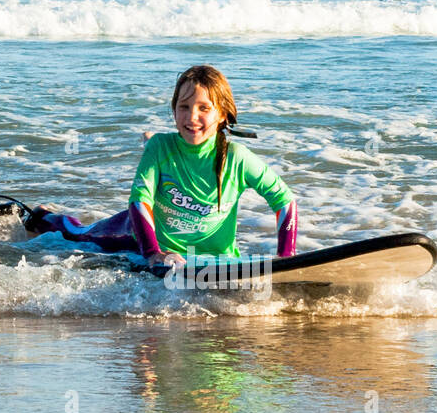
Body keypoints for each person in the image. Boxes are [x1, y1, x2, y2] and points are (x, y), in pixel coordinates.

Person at [27, 65, 297, 266]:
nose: (192, 116)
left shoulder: (237, 158)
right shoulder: (161, 148)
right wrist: (153, 253)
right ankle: (42, 217)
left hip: (215, 259)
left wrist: (286, 258)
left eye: (204, 108)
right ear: (174, 110)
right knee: (79, 235)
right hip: (138, 235)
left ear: (222, 114)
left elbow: (284, 201)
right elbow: (139, 201)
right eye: (184, 106)